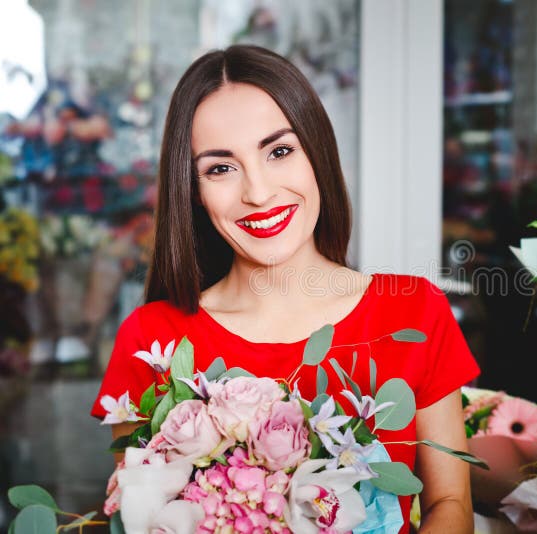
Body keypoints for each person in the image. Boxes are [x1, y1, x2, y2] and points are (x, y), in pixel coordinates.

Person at [90, 44, 479, 533]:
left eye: (279, 151)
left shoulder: (415, 312)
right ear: (193, 192)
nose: (257, 191)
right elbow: (139, 518)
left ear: (316, 152)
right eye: (220, 168)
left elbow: (450, 503)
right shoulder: (152, 340)